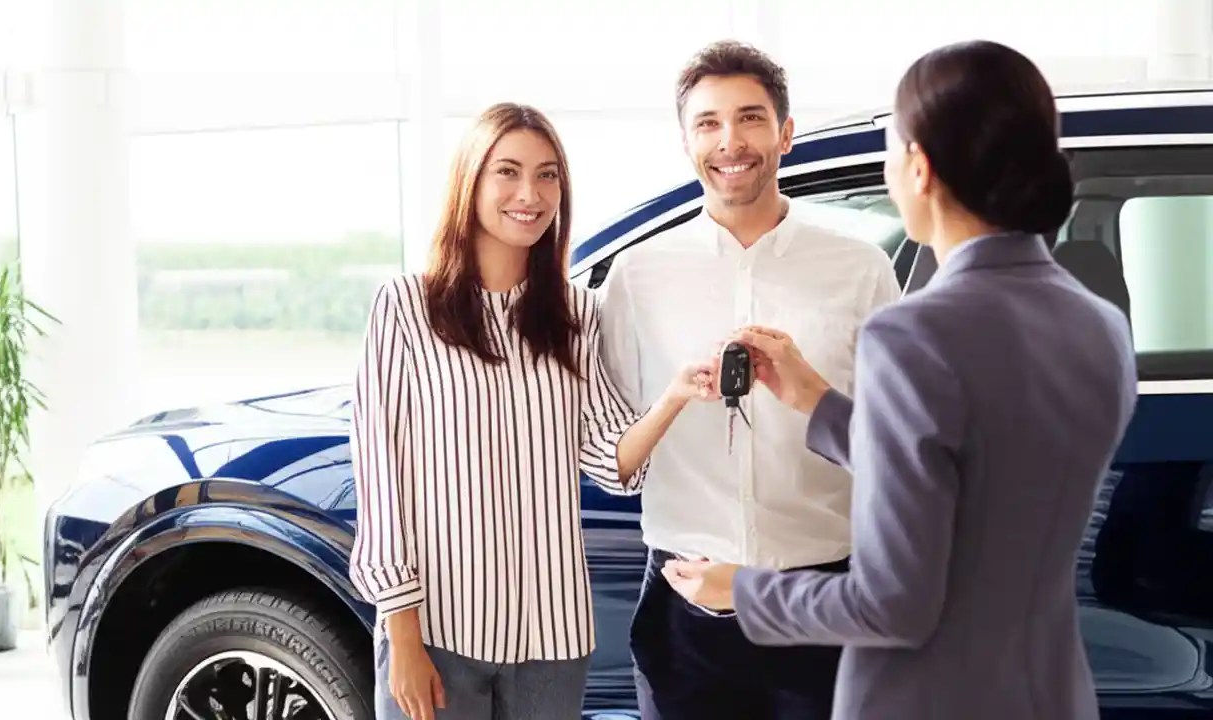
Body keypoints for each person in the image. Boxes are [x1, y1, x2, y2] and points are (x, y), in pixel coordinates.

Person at [662, 40, 1139, 720]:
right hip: (1050, 692)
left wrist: (742, 590)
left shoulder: (914, 335)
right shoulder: (1099, 326)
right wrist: (818, 404)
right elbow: (970, 476)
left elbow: (891, 606)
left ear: (918, 168)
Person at [348, 102, 716, 720]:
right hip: (438, 629)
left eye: (548, 175)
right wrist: (401, 630)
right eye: (509, 172)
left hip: (552, 634)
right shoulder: (406, 308)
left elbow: (607, 457)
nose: (530, 193)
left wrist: (675, 395)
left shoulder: (574, 315)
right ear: (471, 181)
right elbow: (381, 475)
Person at [597, 41, 901, 719]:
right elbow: (614, 438)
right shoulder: (637, 276)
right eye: (708, 123)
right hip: (686, 604)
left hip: (822, 598)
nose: (730, 140)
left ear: (785, 134)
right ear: (686, 142)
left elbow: (893, 438)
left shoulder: (860, 270)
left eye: (750, 118)